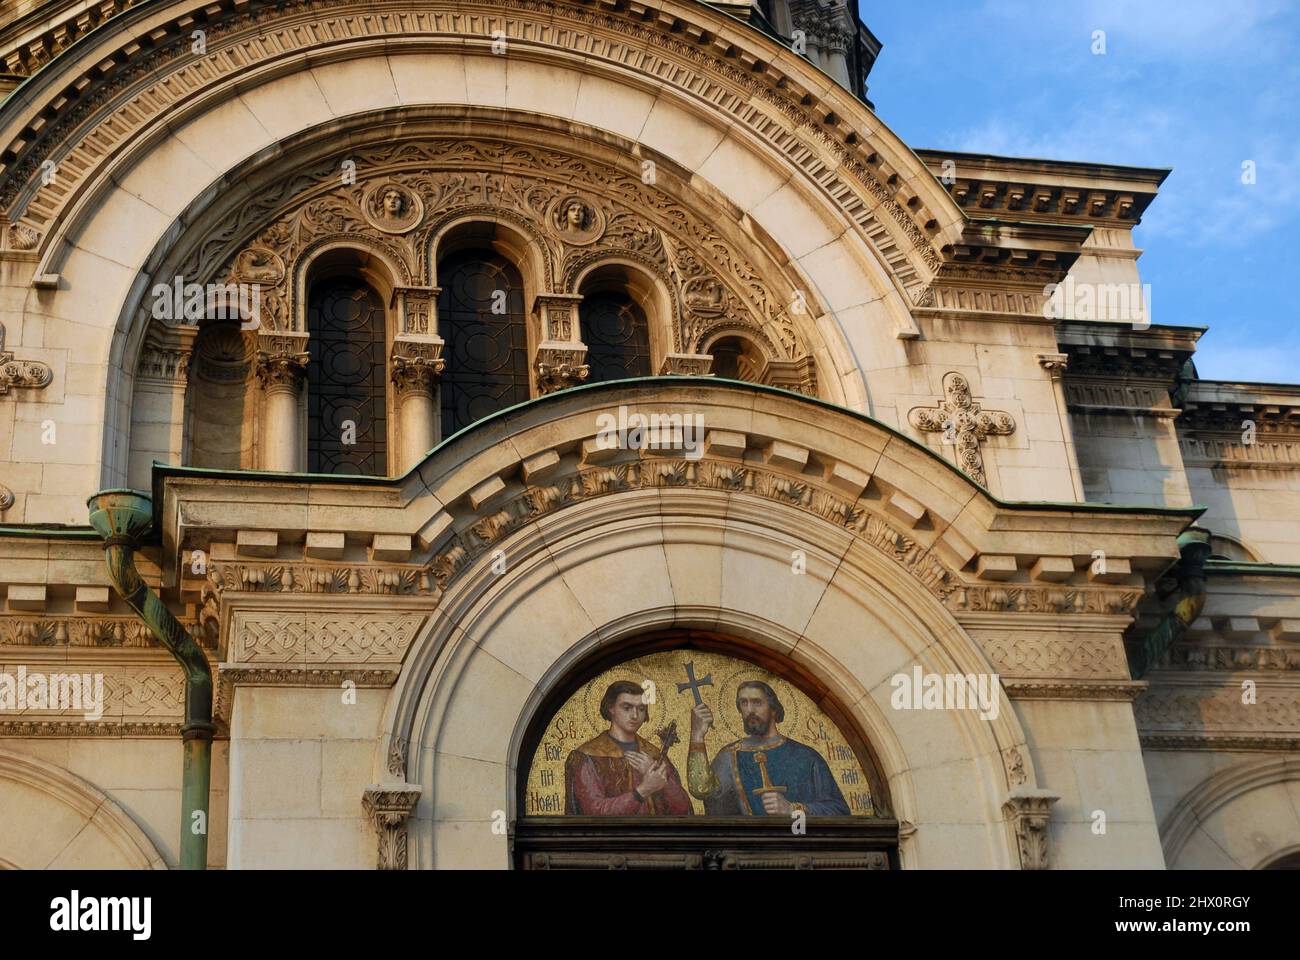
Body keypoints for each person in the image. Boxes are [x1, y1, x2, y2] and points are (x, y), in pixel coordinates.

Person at [687, 680, 849, 816]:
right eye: (744, 703)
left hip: (797, 842)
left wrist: (792, 809)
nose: (750, 710)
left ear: (773, 708)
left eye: (757, 702)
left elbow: (840, 812)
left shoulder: (806, 757)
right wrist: (697, 736)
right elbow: (702, 790)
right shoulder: (730, 755)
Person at [564, 680, 693, 815]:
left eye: (641, 709)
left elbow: (685, 810)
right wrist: (643, 790)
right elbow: (594, 812)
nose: (635, 715)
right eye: (627, 708)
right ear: (611, 708)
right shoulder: (587, 756)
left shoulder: (654, 755)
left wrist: (664, 783)